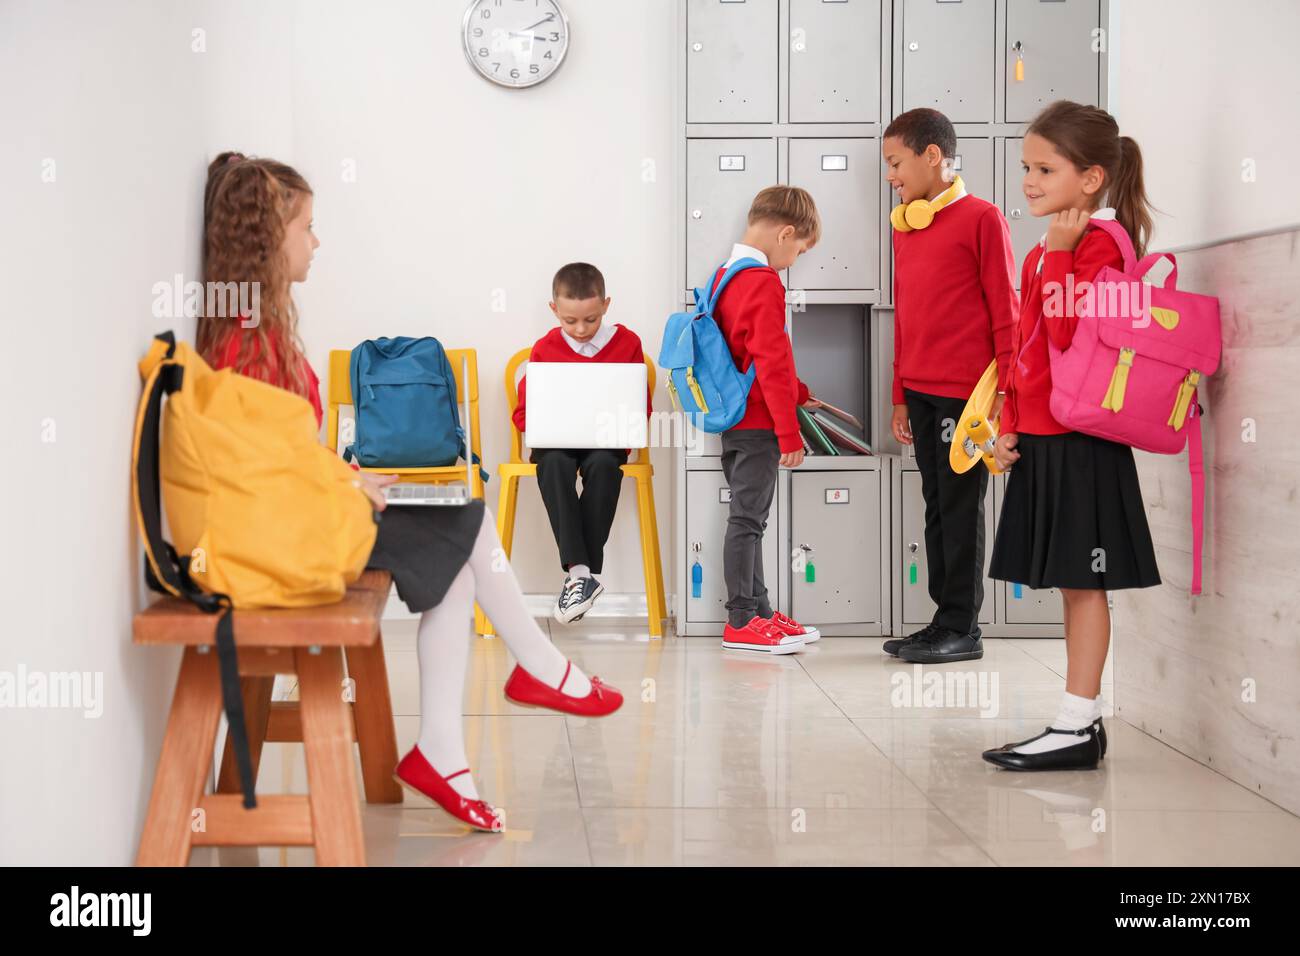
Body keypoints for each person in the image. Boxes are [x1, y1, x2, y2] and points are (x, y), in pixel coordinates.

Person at [197, 152, 624, 831]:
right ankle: (530, 678)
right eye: (307, 226)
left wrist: (347, 477)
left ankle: (452, 745)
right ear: (269, 235)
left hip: (293, 517)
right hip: (283, 538)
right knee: (469, 523)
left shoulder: (254, 326)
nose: (317, 241)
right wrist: (345, 482)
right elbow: (266, 464)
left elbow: (274, 452)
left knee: (459, 540)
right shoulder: (251, 338)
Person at [985, 102, 1161, 771]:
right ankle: (1075, 720)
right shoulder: (1052, 244)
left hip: (1082, 438)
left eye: (1044, 168)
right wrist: (1009, 425)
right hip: (1047, 431)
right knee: (1071, 583)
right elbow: (1027, 347)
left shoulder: (1098, 243)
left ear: (1090, 178)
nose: (1029, 179)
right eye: (1027, 166)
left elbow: (1065, 334)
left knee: (1086, 585)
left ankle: (1077, 725)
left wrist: (1057, 256)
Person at [882, 107, 1017, 664]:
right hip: (921, 391)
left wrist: (1009, 398)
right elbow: (906, 316)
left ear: (931, 155)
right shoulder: (908, 228)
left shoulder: (983, 218)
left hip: (968, 397)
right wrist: (898, 394)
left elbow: (1007, 312)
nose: (891, 176)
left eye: (896, 163)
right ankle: (944, 619)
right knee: (936, 507)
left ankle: (963, 626)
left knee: (961, 509)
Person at [711, 185, 824, 654]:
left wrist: (800, 394)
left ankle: (759, 611)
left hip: (735, 420)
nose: (792, 260)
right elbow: (772, 362)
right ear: (785, 232)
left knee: (749, 519)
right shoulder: (761, 282)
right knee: (747, 522)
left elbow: (748, 356)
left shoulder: (725, 277)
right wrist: (789, 431)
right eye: (797, 250)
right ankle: (740, 619)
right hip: (759, 427)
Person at [510, 263, 652, 624]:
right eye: (570, 321)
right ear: (554, 309)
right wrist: (540, 426)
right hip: (555, 441)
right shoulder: (544, 348)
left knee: (605, 466)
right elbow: (523, 411)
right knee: (553, 464)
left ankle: (579, 576)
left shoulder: (628, 343)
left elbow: (641, 404)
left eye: (590, 319)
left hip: (606, 440)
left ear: (606, 305)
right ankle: (582, 574)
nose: (580, 330)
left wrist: (626, 424)